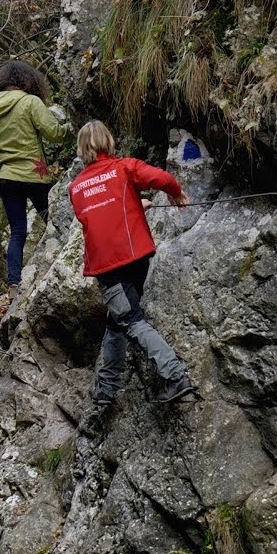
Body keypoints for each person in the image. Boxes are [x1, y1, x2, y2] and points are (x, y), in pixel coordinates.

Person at [67, 120, 197, 405]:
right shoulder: (124, 168)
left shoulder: (75, 188)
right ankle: (107, 389)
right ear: (108, 142)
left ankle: (176, 375)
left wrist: (132, 202)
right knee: (118, 320)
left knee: (128, 319)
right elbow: (162, 178)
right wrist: (171, 195)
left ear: (82, 149)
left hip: (108, 266)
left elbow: (94, 216)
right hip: (137, 257)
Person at [0, 60, 68, 301]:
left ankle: (14, 285)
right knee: (54, 221)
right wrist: (71, 128)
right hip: (36, 175)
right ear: (29, 81)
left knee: (18, 232)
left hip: (7, 178)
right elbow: (54, 134)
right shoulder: (30, 101)